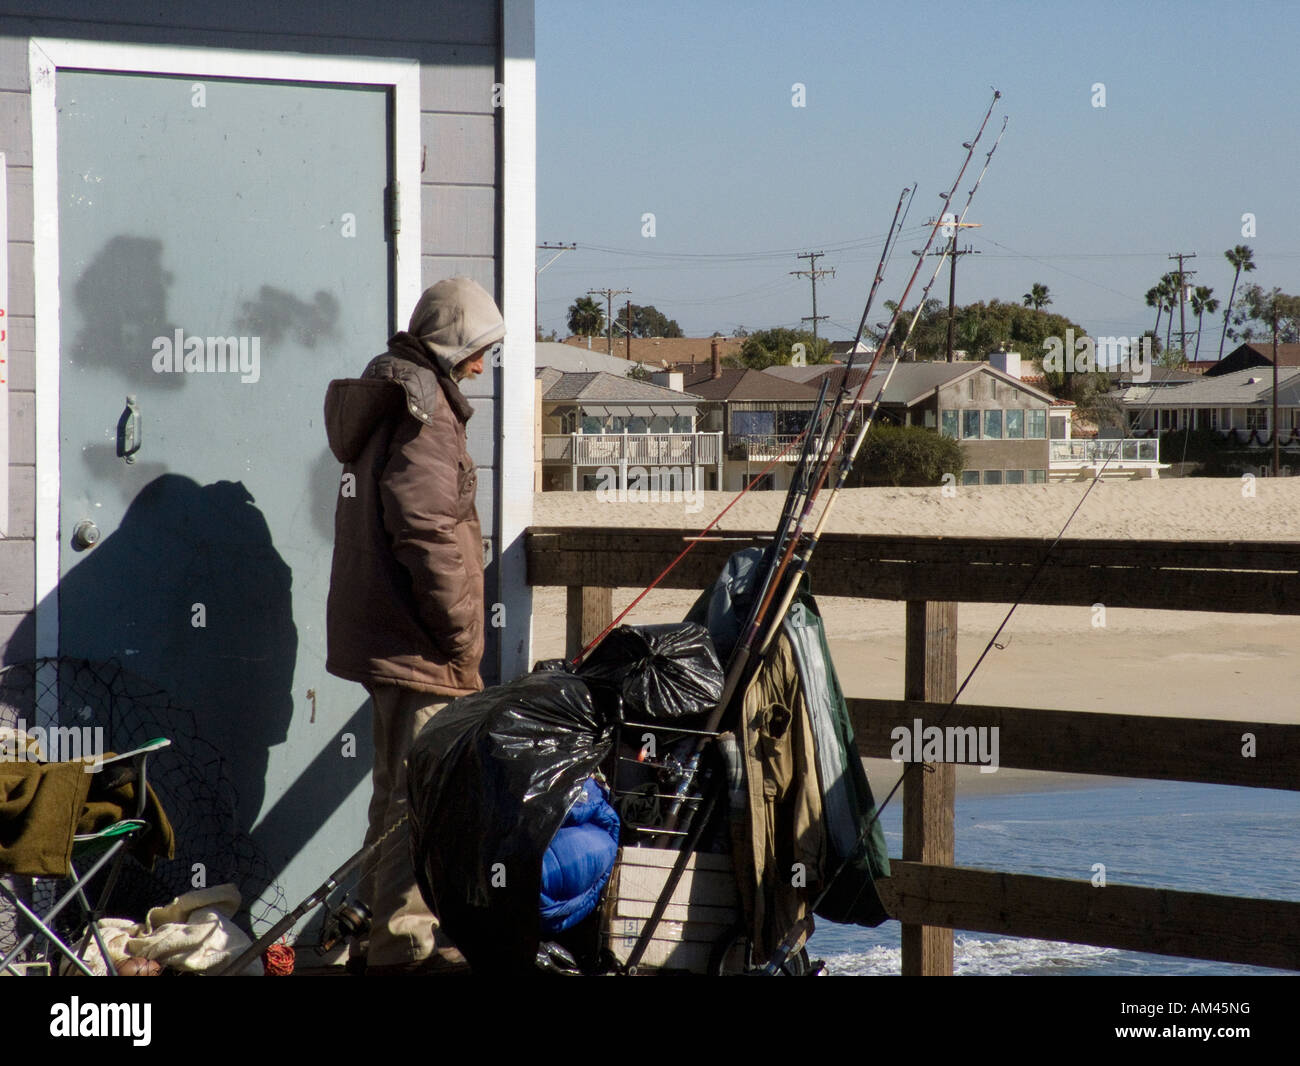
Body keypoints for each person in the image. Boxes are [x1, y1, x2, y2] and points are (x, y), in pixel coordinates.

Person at [324, 276, 504, 974]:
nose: (484, 368)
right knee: (413, 800)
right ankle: (403, 949)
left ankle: (383, 938)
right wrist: (461, 632)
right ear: (453, 347)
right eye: (479, 351)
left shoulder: (401, 399)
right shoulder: (425, 413)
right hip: (419, 643)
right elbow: (426, 528)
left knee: (397, 791)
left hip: (394, 638)